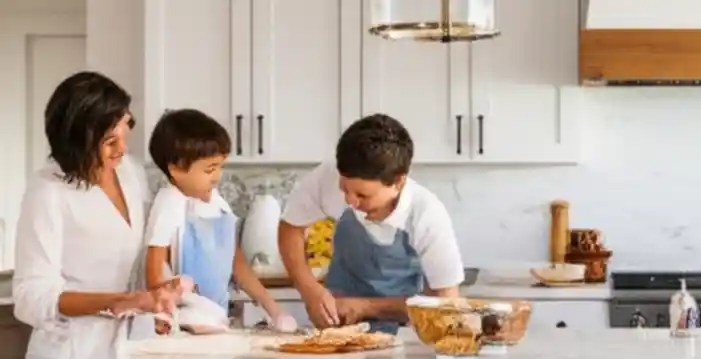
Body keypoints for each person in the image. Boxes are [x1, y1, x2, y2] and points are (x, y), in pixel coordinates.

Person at [13, 71, 184, 359]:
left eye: (125, 129)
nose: (122, 148)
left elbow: (142, 250)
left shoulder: (129, 172)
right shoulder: (48, 193)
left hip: (135, 351)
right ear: (77, 142)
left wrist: (163, 293)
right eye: (109, 141)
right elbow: (31, 297)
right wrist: (120, 301)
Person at [277, 114, 465, 332]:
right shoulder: (328, 175)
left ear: (398, 182)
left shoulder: (427, 214)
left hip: (406, 335)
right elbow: (290, 227)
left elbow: (446, 303)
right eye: (344, 189)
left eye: (362, 195)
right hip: (336, 330)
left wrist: (366, 307)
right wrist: (310, 291)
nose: (350, 200)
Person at [143, 108, 295, 333]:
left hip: (218, 320)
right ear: (176, 168)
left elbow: (236, 263)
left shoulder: (218, 203)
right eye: (209, 169)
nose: (217, 177)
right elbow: (154, 278)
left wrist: (272, 308)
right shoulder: (168, 204)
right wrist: (177, 293)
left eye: (220, 167)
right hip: (182, 328)